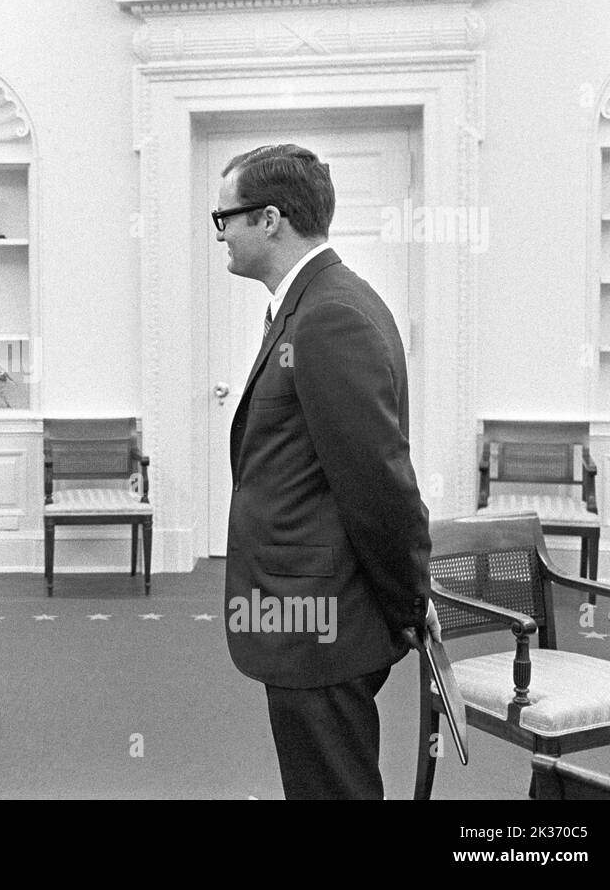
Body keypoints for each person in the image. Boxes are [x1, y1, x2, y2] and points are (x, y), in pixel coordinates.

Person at [215, 144, 440, 799]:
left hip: (320, 617)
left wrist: (408, 602)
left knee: (332, 790)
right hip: (301, 611)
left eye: (225, 216)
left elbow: (378, 483)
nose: (221, 232)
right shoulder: (311, 301)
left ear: (271, 218)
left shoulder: (329, 314)